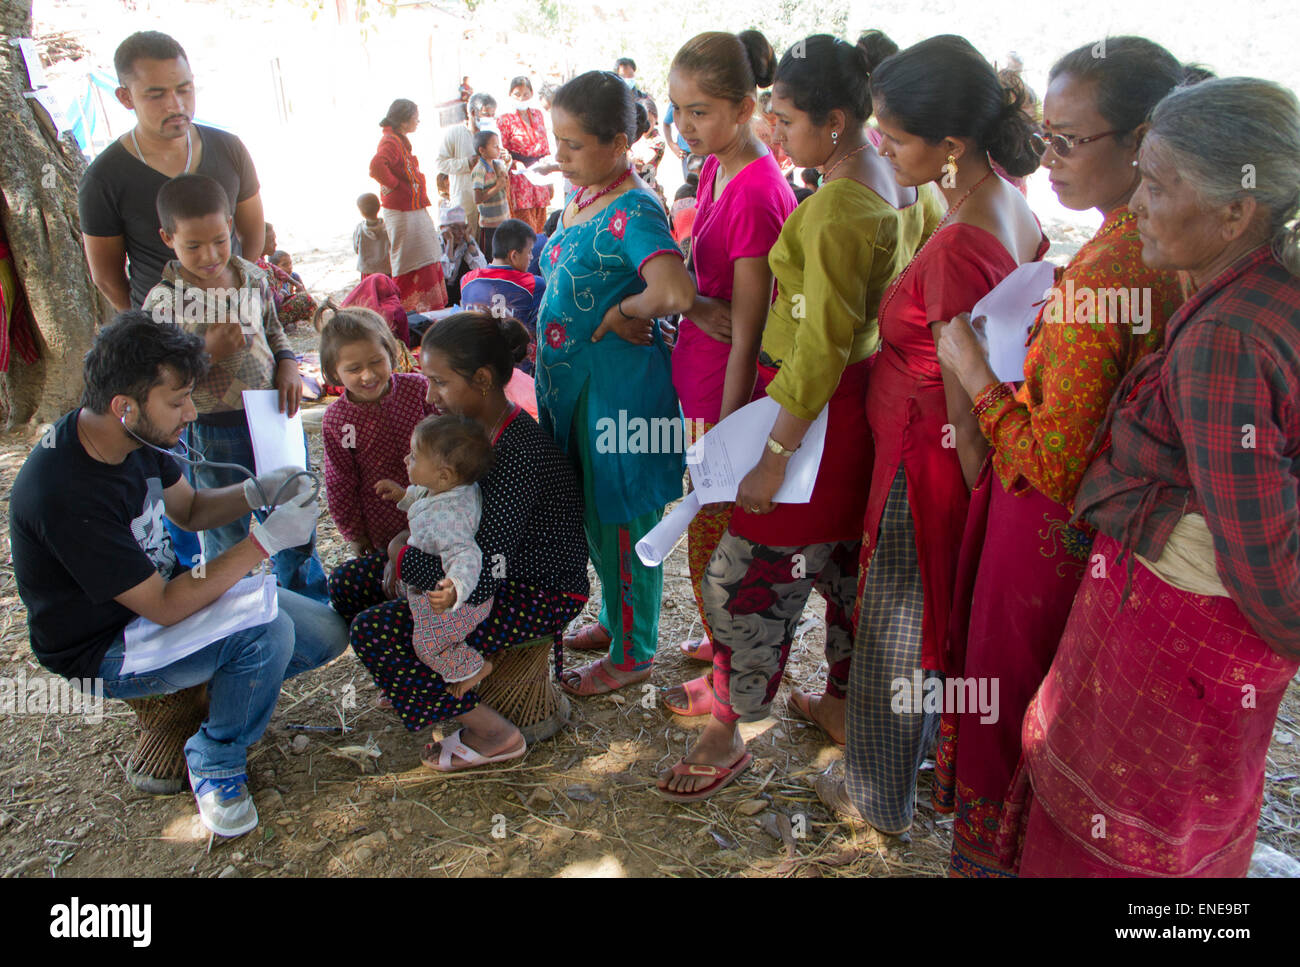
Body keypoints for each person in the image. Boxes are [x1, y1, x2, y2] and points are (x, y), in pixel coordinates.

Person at [1002, 77, 1300, 878]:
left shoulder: (1226, 341)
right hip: (1210, 653)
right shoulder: (1258, 290)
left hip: (1180, 646)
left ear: (1236, 212)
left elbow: (1273, 573)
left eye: (1159, 185)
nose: (1136, 204)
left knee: (1124, 836)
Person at [929, 37, 1189, 877]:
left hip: (1044, 530)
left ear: (1146, 138)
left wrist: (973, 374)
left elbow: (1052, 460)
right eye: (1045, 136)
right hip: (1094, 536)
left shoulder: (1111, 268)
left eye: (1071, 140)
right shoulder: (1157, 251)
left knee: (1010, 700)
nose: (1050, 159)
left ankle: (994, 855)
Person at [658, 34, 936, 798]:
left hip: (815, 411)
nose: (772, 131)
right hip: (855, 402)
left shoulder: (843, 203)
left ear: (836, 121)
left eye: (783, 117)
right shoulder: (902, 176)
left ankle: (729, 727)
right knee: (844, 566)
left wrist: (776, 449)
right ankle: (843, 702)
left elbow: (821, 342)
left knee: (746, 574)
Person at [814, 35, 1047, 836]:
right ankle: (909, 764)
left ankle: (878, 798)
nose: (879, 147)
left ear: (949, 146)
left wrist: (972, 483)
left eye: (895, 135)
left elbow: (965, 404)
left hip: (930, 461)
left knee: (895, 628)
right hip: (941, 457)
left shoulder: (953, 247)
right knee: (920, 622)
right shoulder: (1007, 199)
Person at [9, 313, 345, 837]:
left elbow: (187, 510)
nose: (191, 411)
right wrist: (265, 541)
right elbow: (164, 604)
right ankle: (216, 756)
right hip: (105, 646)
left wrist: (256, 491)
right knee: (268, 633)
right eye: (178, 400)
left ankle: (224, 688)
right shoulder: (63, 491)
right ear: (124, 407)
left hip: (158, 602)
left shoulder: (133, 435)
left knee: (325, 633)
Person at [330, 313, 589, 770]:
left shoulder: (517, 454)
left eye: (439, 382)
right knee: (350, 582)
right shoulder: (467, 434)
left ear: (483, 379)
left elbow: (485, 574)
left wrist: (404, 554)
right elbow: (444, 514)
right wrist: (402, 544)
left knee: (373, 631)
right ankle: (427, 678)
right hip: (479, 569)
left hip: (537, 589)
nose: (429, 396)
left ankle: (494, 734)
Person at [534, 70, 696, 695]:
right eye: (558, 141)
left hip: (621, 397)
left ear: (618, 141)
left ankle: (635, 652)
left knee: (624, 517)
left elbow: (675, 290)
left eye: (572, 145)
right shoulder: (585, 198)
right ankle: (614, 619)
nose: (559, 156)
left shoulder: (634, 208)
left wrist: (621, 313)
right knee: (594, 515)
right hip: (577, 391)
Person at [654, 30, 796, 716]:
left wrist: (730, 436)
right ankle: (722, 648)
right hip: (704, 382)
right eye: (677, 109)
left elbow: (749, 332)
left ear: (744, 107)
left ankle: (731, 676)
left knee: (719, 536)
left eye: (700, 111)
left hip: (729, 395)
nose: (684, 125)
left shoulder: (757, 192)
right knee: (709, 531)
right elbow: (709, 286)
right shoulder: (716, 165)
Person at [141, 174, 329, 602]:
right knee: (223, 528)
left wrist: (286, 365)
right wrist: (204, 350)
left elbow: (274, 330)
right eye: (193, 246)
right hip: (213, 430)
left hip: (272, 417)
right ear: (168, 238)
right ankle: (233, 608)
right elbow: (159, 375)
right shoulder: (163, 302)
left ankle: (306, 599)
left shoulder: (251, 277)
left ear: (231, 224)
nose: (209, 255)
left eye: (219, 241)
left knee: (291, 508)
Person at [79, 31, 264, 311]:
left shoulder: (229, 149)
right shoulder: (103, 179)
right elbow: (106, 277)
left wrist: (242, 292)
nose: (176, 105)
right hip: (166, 338)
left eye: (183, 89)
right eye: (156, 95)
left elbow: (253, 232)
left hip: (240, 323)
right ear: (125, 98)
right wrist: (150, 331)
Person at [375, 415, 496, 696]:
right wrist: (403, 496)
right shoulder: (446, 488)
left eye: (414, 457)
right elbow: (422, 498)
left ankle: (473, 667)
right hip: (433, 583)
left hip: (460, 601)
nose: (406, 460)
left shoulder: (449, 518)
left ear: (444, 475)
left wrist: (455, 587)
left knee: (428, 646)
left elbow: (466, 554)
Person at [319, 303, 434, 562]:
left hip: (435, 509)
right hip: (383, 522)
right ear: (334, 372)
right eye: (354, 369)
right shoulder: (339, 420)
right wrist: (355, 534)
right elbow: (341, 482)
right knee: (394, 577)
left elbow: (451, 438)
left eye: (376, 362)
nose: (368, 375)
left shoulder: (418, 390)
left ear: (391, 354)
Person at [369, 98, 448, 312]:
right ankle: (411, 308)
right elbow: (377, 166)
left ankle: (429, 307)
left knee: (427, 253)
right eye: (415, 118)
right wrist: (396, 186)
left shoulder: (397, 140)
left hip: (410, 210)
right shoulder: (391, 142)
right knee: (409, 259)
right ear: (403, 121)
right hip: (402, 212)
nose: (418, 121)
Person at [460, 218, 546, 371]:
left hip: (475, 366)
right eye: (529, 252)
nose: (531, 257)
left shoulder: (467, 280)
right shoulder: (534, 285)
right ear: (514, 255)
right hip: (516, 370)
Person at [436, 92, 498, 241]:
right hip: (465, 198)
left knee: (487, 244)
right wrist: (466, 164)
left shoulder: (492, 134)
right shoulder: (454, 133)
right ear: (472, 113)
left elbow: (498, 164)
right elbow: (441, 163)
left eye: (492, 115)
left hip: (490, 201)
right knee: (465, 242)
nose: (488, 119)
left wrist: (504, 160)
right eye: (485, 114)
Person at [497, 77, 556, 233]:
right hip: (519, 178)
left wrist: (549, 180)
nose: (522, 98)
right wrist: (515, 162)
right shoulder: (505, 120)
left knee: (541, 225)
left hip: (539, 174)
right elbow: (501, 152)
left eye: (525, 94)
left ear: (531, 94)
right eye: (517, 94)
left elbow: (545, 147)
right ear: (510, 95)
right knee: (524, 228)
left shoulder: (537, 114)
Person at [471, 129, 511, 255]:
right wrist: (497, 187)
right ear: (482, 150)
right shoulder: (480, 170)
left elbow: (505, 175)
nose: (498, 149)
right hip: (489, 225)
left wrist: (508, 161)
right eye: (495, 146)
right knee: (492, 255)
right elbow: (477, 198)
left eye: (499, 146)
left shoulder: (497, 165)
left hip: (503, 219)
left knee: (505, 253)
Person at [439, 206, 487, 304]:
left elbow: (481, 267)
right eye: (455, 228)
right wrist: (450, 242)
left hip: (458, 290)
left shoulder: (466, 240)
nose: (460, 232)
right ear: (443, 229)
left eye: (463, 227)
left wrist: (469, 239)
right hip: (441, 292)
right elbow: (445, 274)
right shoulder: (437, 243)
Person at [353, 193, 393, 279]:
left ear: (361, 212)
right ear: (379, 207)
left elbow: (356, 249)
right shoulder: (387, 227)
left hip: (367, 270)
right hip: (385, 269)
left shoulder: (359, 229)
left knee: (369, 291)